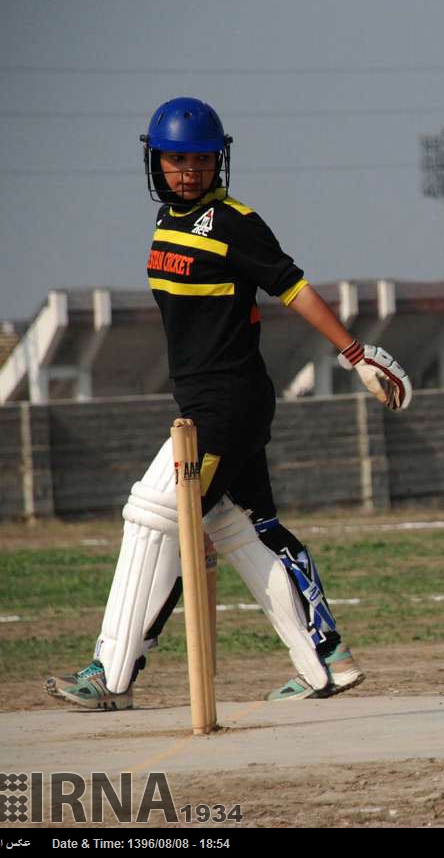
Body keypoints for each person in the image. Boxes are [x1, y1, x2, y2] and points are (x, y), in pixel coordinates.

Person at [45, 97, 412, 710]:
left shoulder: (233, 223)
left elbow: (294, 288)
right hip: (206, 404)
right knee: (244, 526)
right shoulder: (167, 221)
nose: (189, 170)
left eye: (201, 159)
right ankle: (324, 661)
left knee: (154, 518)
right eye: (176, 159)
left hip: (226, 408)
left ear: (220, 160)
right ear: (156, 161)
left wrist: (353, 353)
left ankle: (112, 674)